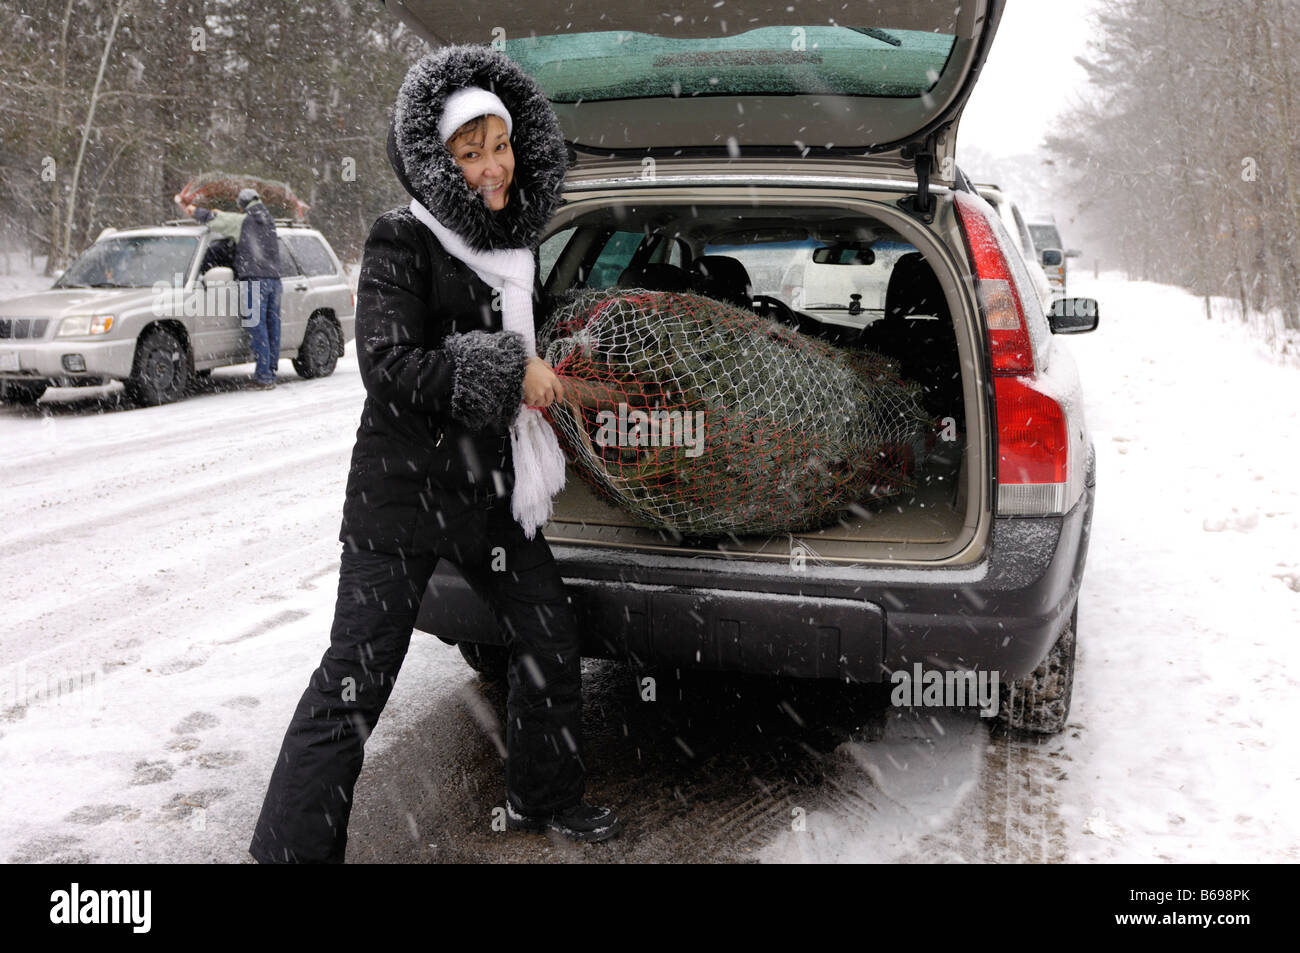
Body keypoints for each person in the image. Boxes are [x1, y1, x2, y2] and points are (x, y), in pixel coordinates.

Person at [246, 44, 620, 864]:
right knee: (355, 682)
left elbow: (532, 346)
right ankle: (288, 852)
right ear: (440, 163)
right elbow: (386, 367)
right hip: (402, 500)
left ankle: (541, 792)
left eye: (502, 145)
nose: (493, 167)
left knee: (548, 629)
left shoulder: (517, 254)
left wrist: (566, 356)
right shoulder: (400, 239)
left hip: (492, 494)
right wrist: (504, 364)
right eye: (471, 152)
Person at [174, 187, 282, 389]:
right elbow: (227, 219)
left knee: (256, 327)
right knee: (272, 327)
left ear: (242, 203)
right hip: (275, 280)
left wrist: (192, 209)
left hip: (255, 280)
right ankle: (271, 370)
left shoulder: (242, 221)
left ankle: (264, 376)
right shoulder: (270, 221)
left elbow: (212, 219)